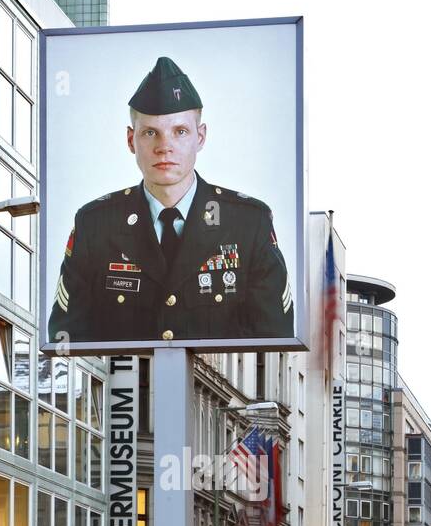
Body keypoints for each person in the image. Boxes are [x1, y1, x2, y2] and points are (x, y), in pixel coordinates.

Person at [48, 55, 293, 346]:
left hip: (213, 392)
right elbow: (68, 339)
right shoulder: (96, 224)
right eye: (150, 133)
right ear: (131, 140)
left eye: (180, 132)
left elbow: (274, 338)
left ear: (200, 137)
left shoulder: (248, 223)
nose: (164, 147)